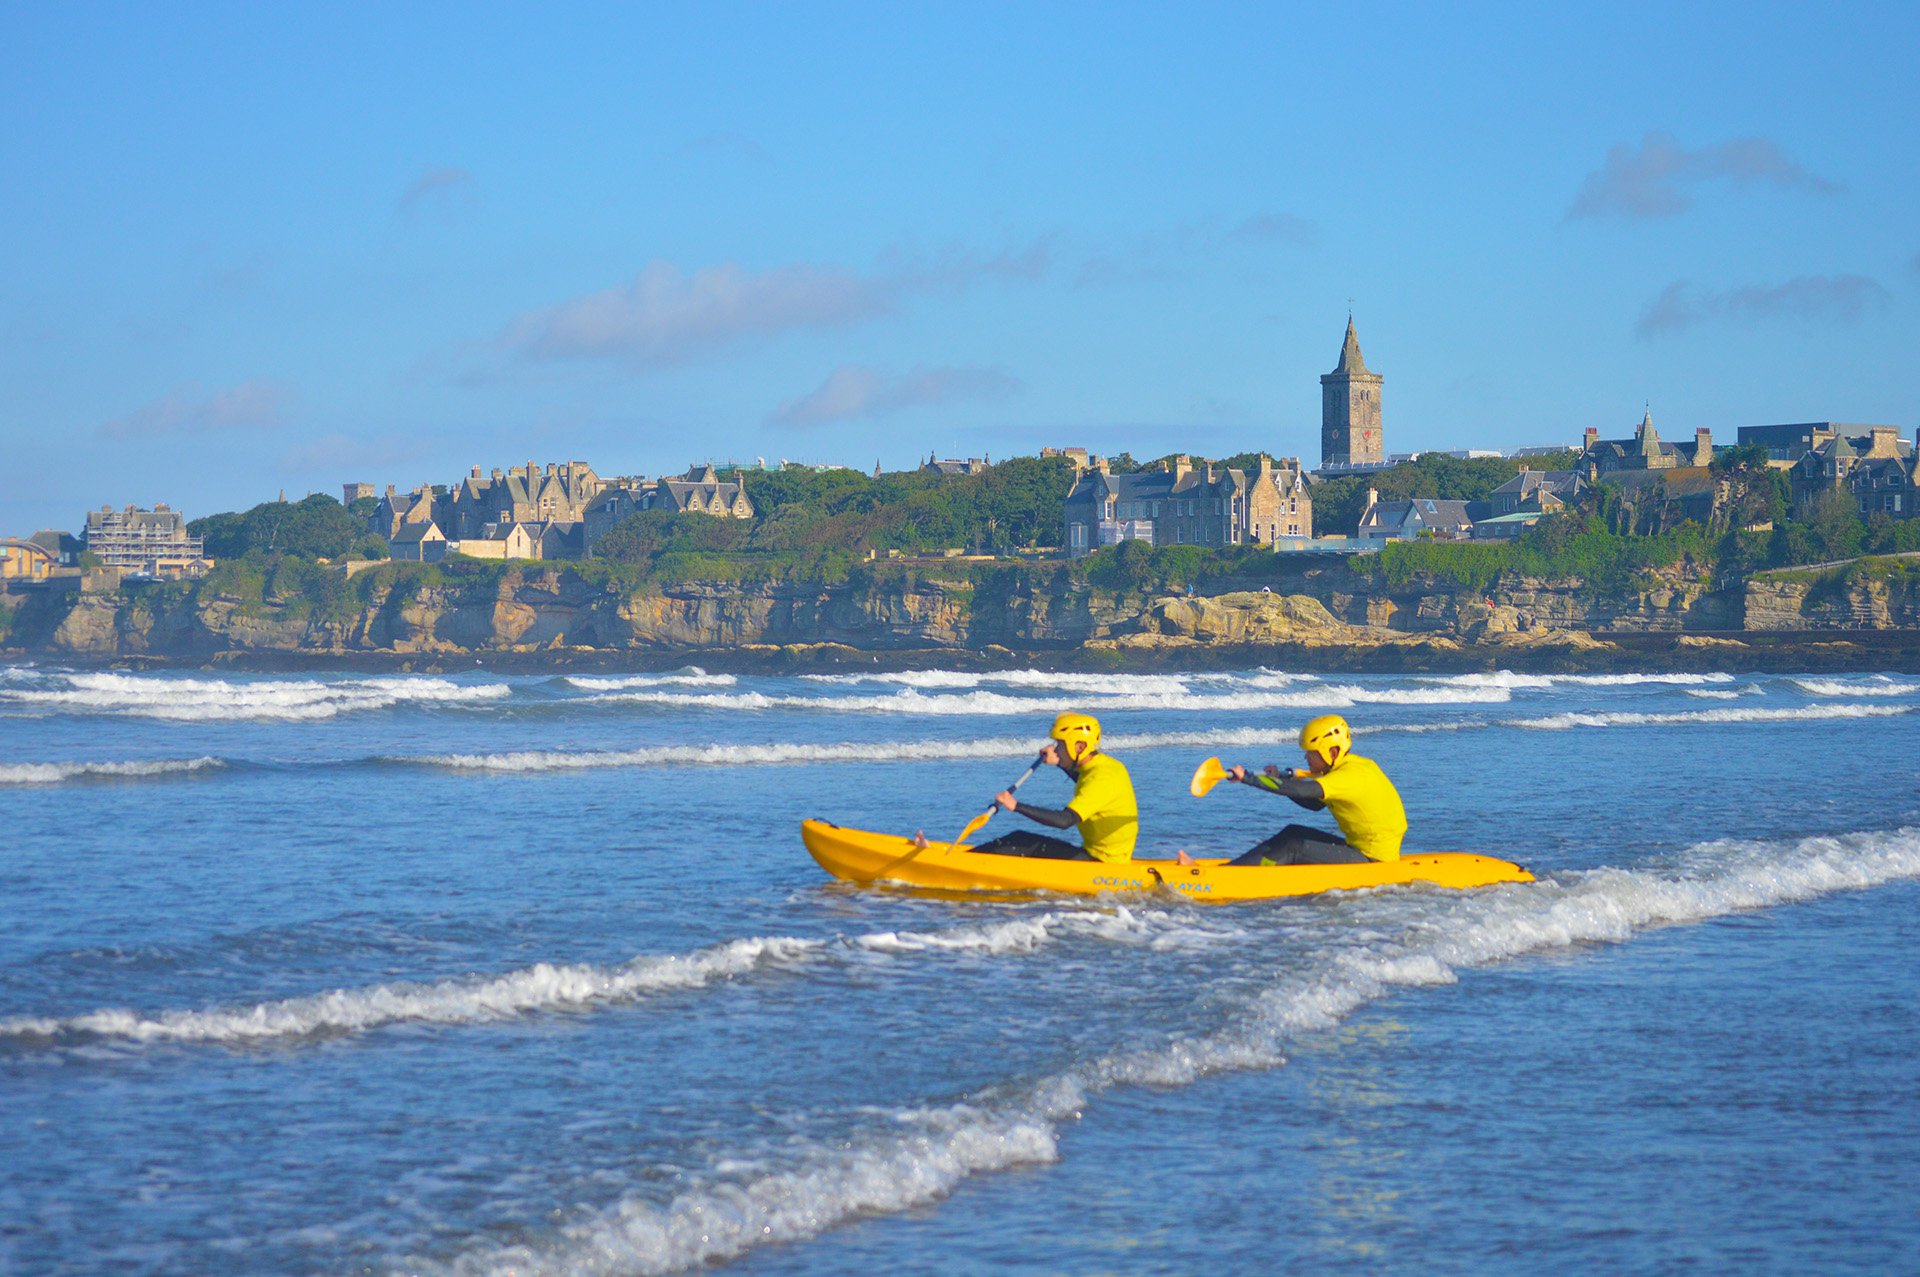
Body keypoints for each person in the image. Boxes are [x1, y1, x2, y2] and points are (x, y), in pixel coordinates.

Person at [1221, 714, 1406, 866]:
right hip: (1360, 850)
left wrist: (1248, 778)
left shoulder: (1350, 775)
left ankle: (1226, 877)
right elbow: (1314, 804)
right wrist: (1277, 779)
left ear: (1332, 753)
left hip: (1373, 860)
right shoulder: (1350, 767)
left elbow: (1303, 791)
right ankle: (1235, 870)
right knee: (1293, 832)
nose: (1306, 757)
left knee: (1292, 845)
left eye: (1311, 752)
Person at [968, 713, 1138, 863]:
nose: (1055, 750)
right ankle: (968, 859)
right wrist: (1060, 763)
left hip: (1101, 863)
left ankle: (966, 863)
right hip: (1102, 855)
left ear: (1079, 747)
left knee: (1019, 840)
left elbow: (1065, 820)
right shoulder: (1105, 766)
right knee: (1020, 839)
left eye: (1060, 745)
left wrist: (1016, 806)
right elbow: (1086, 782)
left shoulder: (1102, 777)